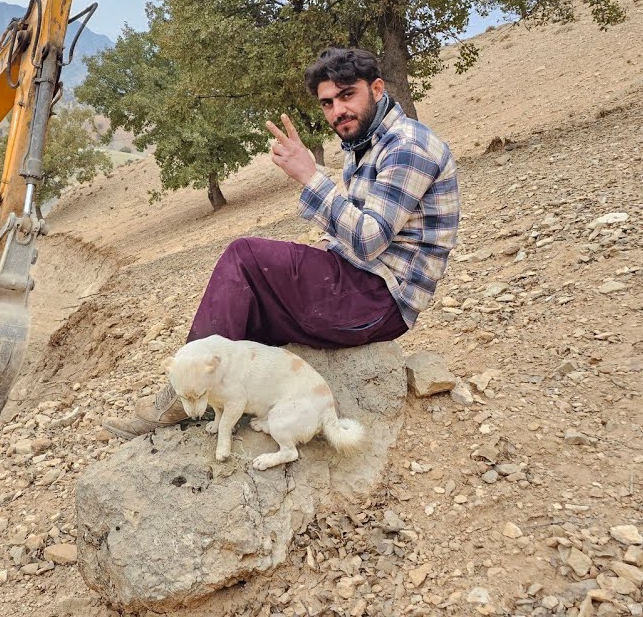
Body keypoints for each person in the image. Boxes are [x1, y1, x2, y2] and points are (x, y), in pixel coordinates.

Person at [105, 47, 460, 438]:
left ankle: (182, 397)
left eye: (347, 95)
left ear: (376, 89)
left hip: (380, 300)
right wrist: (317, 246)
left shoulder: (407, 146)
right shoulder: (366, 141)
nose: (338, 111)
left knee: (245, 256)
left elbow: (368, 239)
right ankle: (212, 393)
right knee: (253, 296)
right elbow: (355, 225)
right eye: (327, 103)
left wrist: (310, 176)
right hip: (362, 283)